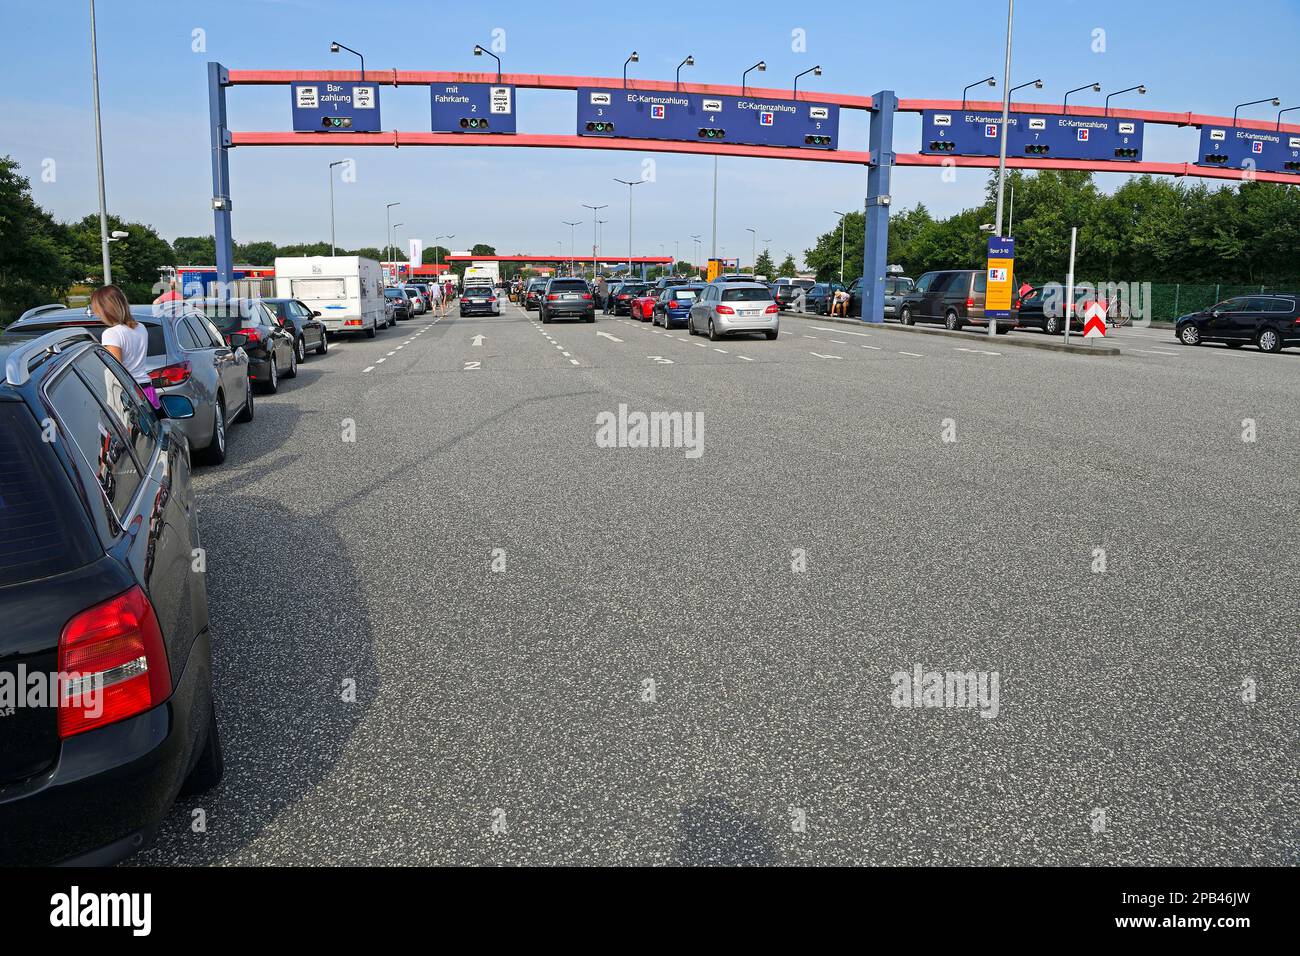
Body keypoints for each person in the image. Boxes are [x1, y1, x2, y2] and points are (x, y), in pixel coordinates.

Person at [92, 284, 157, 407]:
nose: (97, 314)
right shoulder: (141, 327)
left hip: (128, 395)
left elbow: (117, 371)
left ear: (105, 309)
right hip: (147, 391)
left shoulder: (111, 333)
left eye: (97, 310)